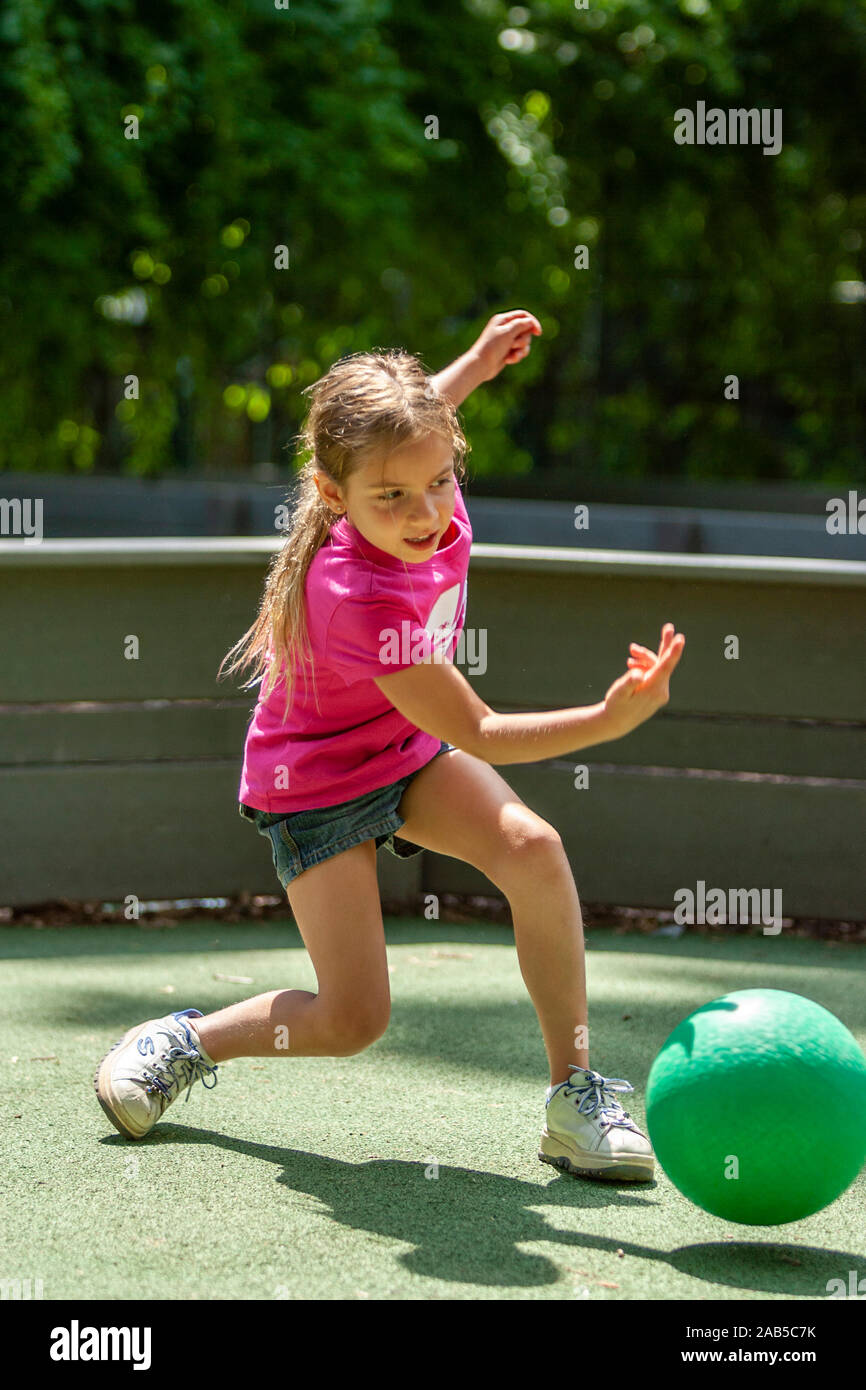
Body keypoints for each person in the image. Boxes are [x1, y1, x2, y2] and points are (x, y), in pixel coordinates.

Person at [94, 309, 685, 1182]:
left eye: (441, 482)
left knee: (533, 847)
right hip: (315, 788)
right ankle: (185, 1041)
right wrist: (610, 719)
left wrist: (477, 366)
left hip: (404, 753)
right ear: (334, 495)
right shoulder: (356, 594)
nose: (425, 511)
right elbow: (477, 729)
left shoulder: (416, 472)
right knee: (352, 1020)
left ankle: (576, 1094)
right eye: (394, 498)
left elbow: (412, 428)